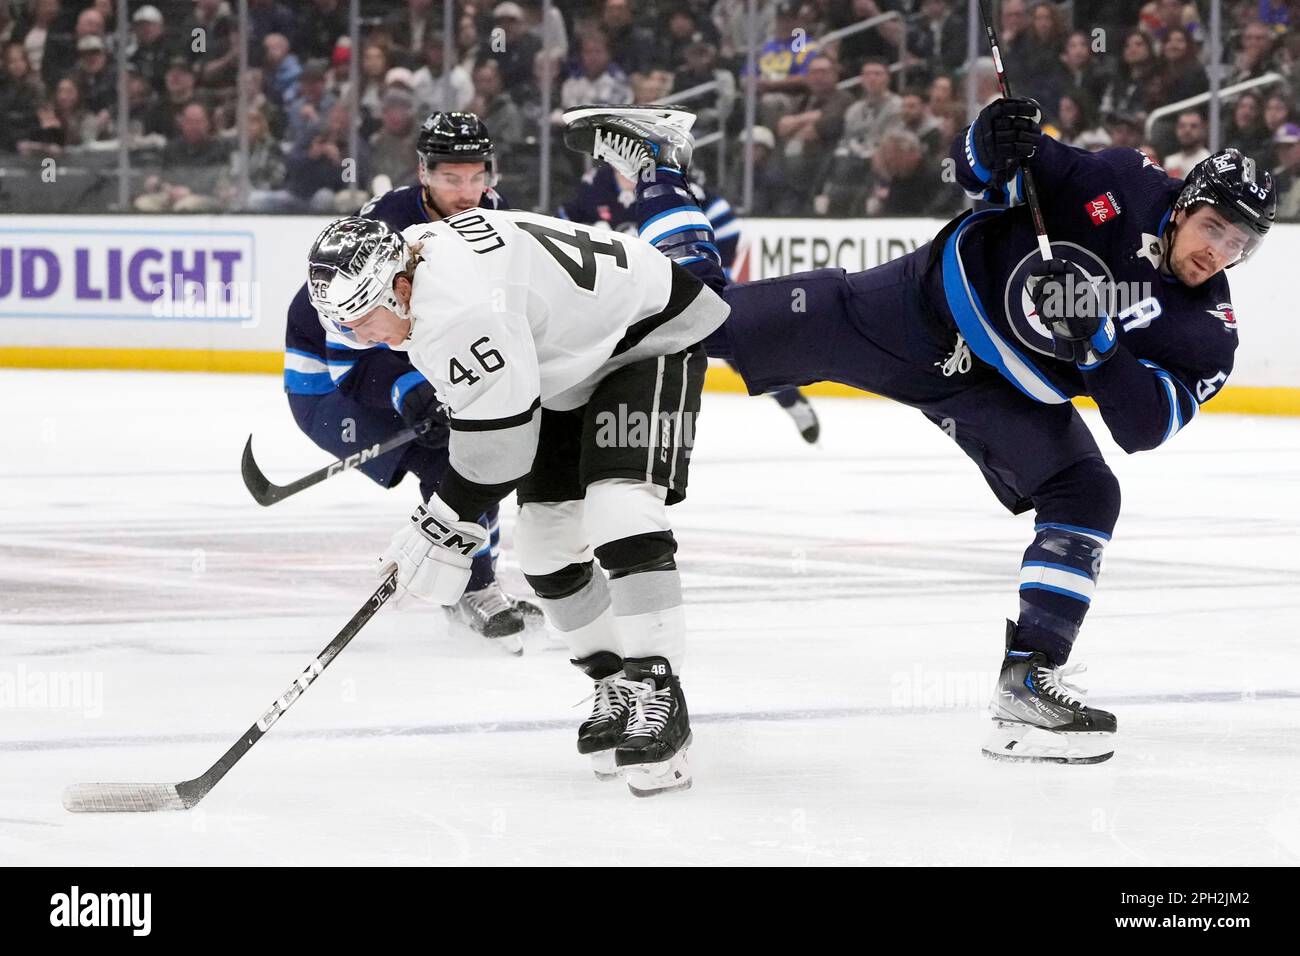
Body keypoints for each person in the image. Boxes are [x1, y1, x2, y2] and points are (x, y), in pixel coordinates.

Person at [561, 101, 1275, 766]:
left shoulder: (1208, 333)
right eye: (1215, 227)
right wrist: (990, 140)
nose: (1219, 252)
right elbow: (984, 171)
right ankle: (661, 164)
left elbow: (1143, 425)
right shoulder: (1121, 182)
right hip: (914, 311)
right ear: (1187, 202)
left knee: (1086, 491)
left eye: (1239, 244)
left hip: (1000, 393)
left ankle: (1027, 687)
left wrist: (1099, 346)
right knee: (707, 318)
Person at [306, 112, 729, 796]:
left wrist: (439, 524)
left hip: (647, 332)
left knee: (620, 508)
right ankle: (617, 685)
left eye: (362, 319)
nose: (362, 336)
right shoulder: (413, 260)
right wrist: (447, 517)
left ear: (399, 289)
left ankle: (660, 695)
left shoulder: (454, 310)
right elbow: (497, 422)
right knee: (546, 548)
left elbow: (499, 454)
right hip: (567, 360)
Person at [283, 112, 540, 650]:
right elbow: (348, 352)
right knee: (450, 457)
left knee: (480, 445)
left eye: (477, 176)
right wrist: (410, 391)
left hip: (413, 357)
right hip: (331, 381)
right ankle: (475, 589)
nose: (467, 191)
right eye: (452, 178)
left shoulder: (496, 217)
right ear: (424, 172)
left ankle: (467, 579)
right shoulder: (384, 225)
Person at [557, 157, 821, 443]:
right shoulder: (594, 187)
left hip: (683, 285)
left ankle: (789, 398)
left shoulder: (666, 179)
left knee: (737, 341)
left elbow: (723, 220)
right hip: (623, 295)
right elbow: (560, 231)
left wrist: (715, 273)